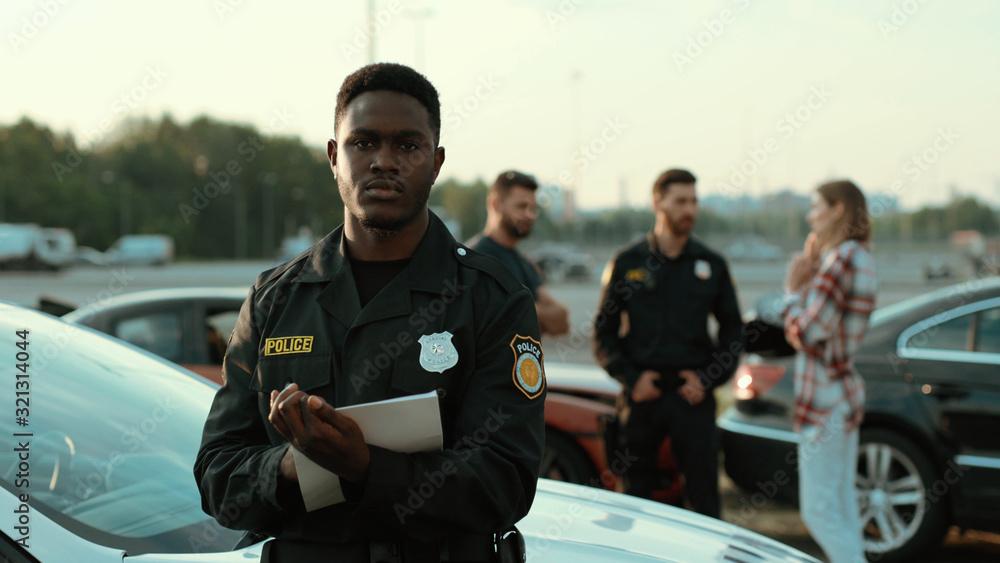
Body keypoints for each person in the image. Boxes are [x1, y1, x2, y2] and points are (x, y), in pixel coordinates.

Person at [194, 63, 546, 563]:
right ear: (335, 157)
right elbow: (217, 478)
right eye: (363, 143)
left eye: (408, 145)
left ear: (436, 161)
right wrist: (295, 465)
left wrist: (363, 466)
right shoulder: (275, 298)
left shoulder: (492, 297)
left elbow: (505, 482)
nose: (384, 161)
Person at [592, 168, 742, 518]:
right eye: (680, 201)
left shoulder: (712, 264)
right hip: (642, 395)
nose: (689, 209)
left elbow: (734, 332)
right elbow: (603, 332)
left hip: (693, 396)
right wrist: (631, 378)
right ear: (657, 203)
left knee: (704, 498)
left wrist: (708, 379)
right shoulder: (627, 262)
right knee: (633, 500)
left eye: (693, 201)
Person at [782, 180, 877, 563]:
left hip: (824, 402)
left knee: (820, 511)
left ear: (837, 210)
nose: (810, 215)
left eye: (816, 206)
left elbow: (808, 331)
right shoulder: (859, 257)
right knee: (842, 508)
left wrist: (791, 290)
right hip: (841, 397)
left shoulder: (841, 260)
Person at [466, 170, 570, 337]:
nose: (530, 215)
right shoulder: (471, 259)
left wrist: (515, 307)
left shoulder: (524, 262)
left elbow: (562, 322)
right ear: (495, 204)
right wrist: (535, 312)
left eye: (533, 208)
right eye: (521, 206)